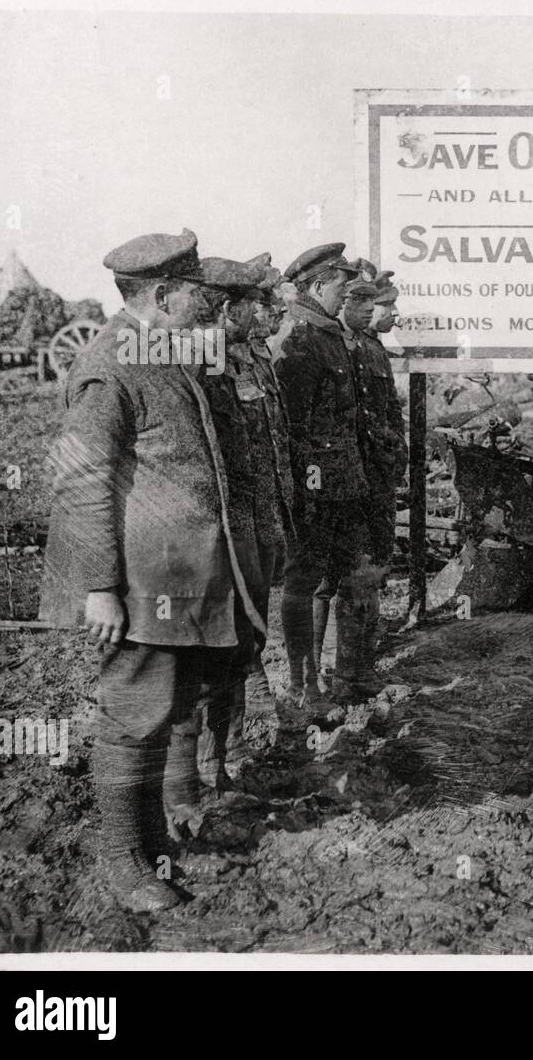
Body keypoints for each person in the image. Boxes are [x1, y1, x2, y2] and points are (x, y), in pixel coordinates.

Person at [39, 230, 263, 911]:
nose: (207, 304)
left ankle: (154, 836)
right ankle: (121, 861)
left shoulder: (166, 353)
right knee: (132, 717)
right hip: (138, 581)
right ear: (163, 295)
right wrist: (101, 587)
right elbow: (79, 482)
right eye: (197, 293)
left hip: (180, 575)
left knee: (162, 710)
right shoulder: (112, 365)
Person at [191, 255, 294, 784]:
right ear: (229, 307)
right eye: (259, 303)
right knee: (218, 645)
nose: (268, 312)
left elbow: (270, 440)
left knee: (246, 636)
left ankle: (228, 760)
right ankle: (209, 768)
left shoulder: (249, 356)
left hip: (260, 518)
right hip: (224, 529)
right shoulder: (200, 365)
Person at [274, 243, 367, 711]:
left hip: (341, 482)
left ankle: (322, 679)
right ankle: (302, 687)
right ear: (315, 286)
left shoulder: (328, 333)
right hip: (317, 488)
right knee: (304, 582)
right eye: (339, 285)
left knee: (331, 580)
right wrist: (308, 490)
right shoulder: (300, 337)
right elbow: (292, 426)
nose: (346, 292)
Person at [335, 274, 407, 695]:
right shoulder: (352, 349)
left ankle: (362, 668)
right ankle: (346, 674)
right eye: (387, 306)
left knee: (376, 570)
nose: (394, 313)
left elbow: (388, 417)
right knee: (356, 576)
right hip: (358, 481)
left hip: (378, 478)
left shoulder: (374, 349)